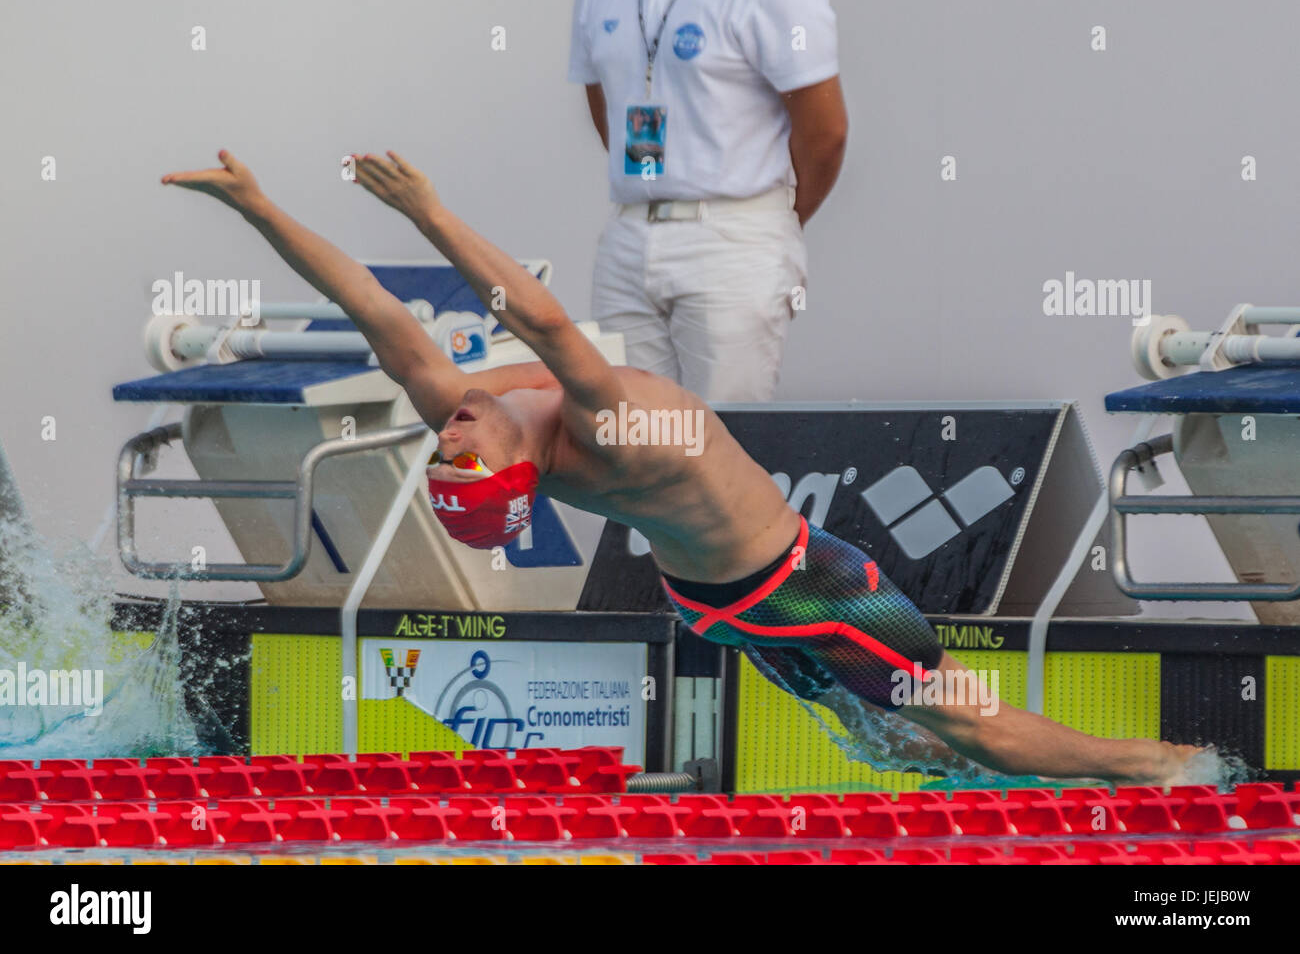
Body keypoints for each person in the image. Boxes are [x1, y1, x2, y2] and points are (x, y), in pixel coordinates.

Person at [161, 150, 1201, 785]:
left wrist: (339, 208)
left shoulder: (542, 414)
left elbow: (427, 310)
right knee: (904, 750)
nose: (449, 434)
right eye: (457, 453)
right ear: (513, 472)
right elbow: (465, 310)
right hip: (732, 602)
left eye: (447, 449)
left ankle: (1158, 766)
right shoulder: (570, 425)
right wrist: (339, 207)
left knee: (956, 719)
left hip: (808, 588)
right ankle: (1050, 789)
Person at [569, 0, 848, 401]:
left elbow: (826, 133)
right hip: (629, 236)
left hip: (732, 235)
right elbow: (607, 108)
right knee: (628, 439)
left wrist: (775, 221)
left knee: (722, 437)